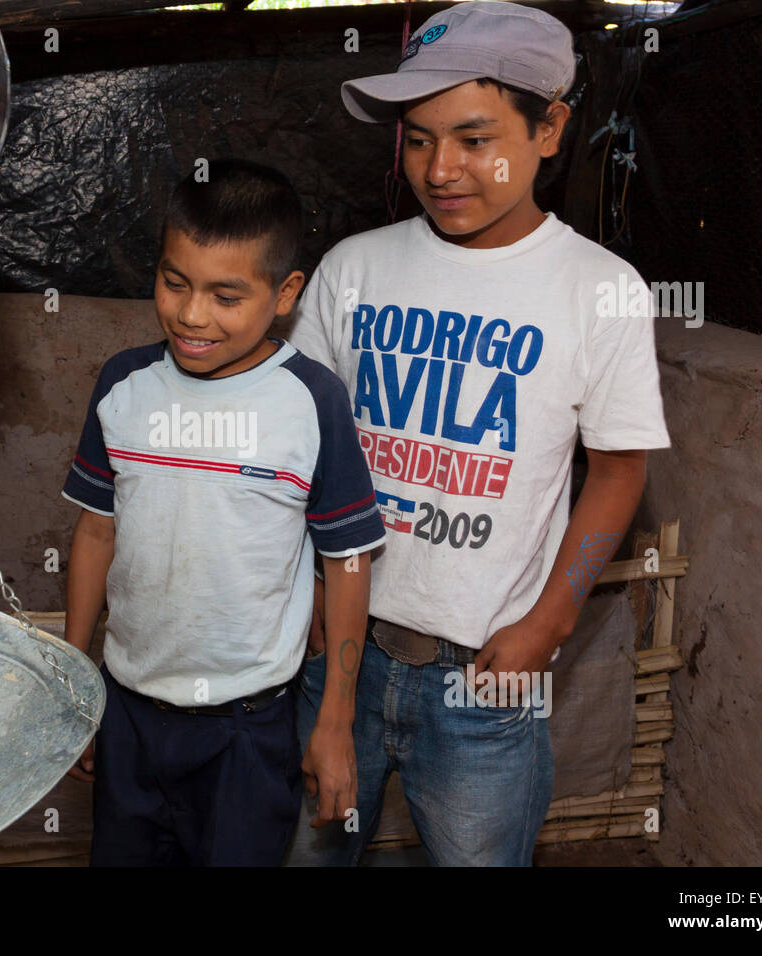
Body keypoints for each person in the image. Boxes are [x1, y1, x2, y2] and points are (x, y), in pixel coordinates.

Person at [284, 0, 671, 866]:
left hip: (486, 674)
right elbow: (299, 442)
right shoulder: (355, 267)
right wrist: (309, 581)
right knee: (308, 853)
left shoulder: (599, 290)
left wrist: (549, 623)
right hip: (339, 647)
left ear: (551, 128)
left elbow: (615, 473)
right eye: (417, 140)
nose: (440, 168)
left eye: (472, 138)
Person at [60, 158, 387, 866]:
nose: (191, 313)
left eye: (226, 295)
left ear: (285, 292)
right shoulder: (124, 383)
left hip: (248, 728)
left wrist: (335, 717)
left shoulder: (311, 400)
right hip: (128, 710)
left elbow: (348, 561)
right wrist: (77, 686)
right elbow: (95, 530)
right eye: (175, 282)